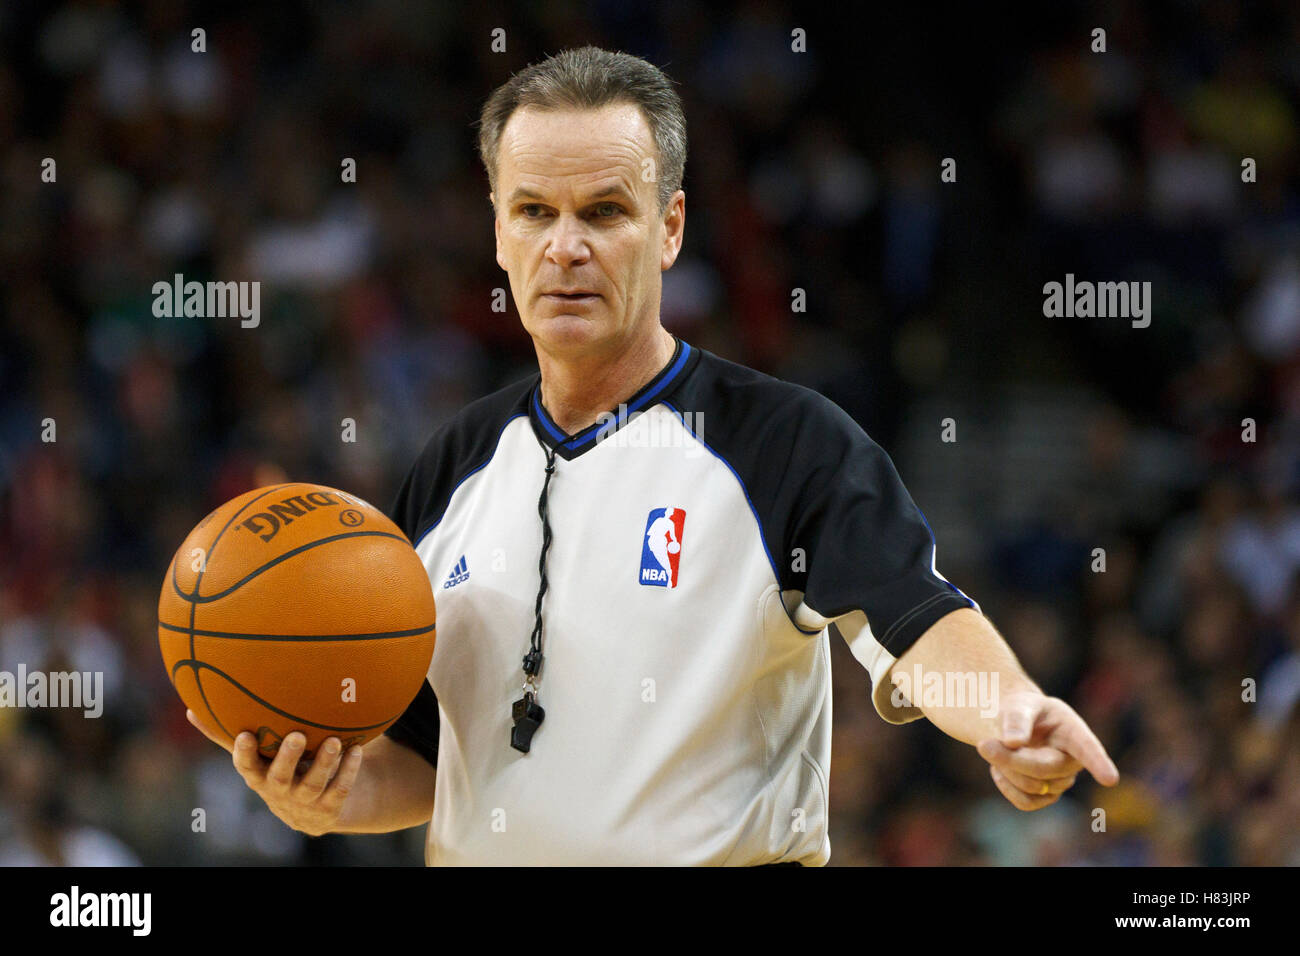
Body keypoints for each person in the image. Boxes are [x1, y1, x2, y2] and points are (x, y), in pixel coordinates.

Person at [187, 46, 1119, 865]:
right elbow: (438, 765)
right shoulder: (454, 462)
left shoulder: (784, 443)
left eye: (605, 211)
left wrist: (1005, 713)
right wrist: (329, 794)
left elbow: (915, 620)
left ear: (669, 227)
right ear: (497, 232)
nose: (567, 248)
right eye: (534, 211)